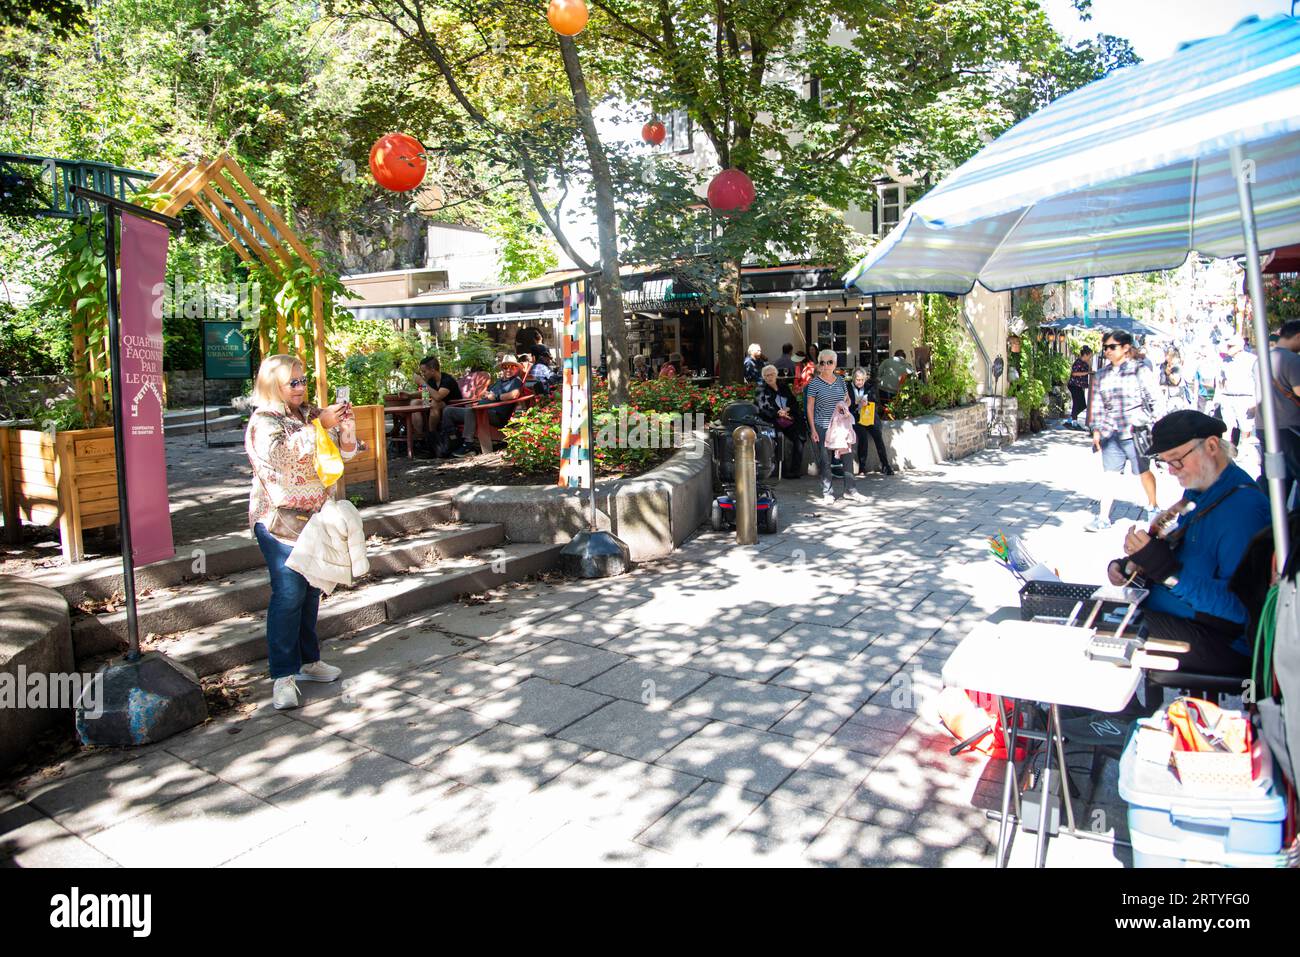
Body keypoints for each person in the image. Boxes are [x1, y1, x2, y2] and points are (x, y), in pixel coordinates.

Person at [1106, 411, 1270, 678]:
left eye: (1177, 461)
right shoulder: (1197, 492)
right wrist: (1134, 565)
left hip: (1224, 641)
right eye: (1166, 462)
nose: (1170, 471)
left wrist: (1169, 574)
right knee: (1096, 614)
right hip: (1182, 616)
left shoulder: (1243, 510)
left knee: (1107, 630)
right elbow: (1181, 553)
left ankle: (1116, 713)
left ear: (1212, 446)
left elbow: (1242, 609)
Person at [245, 355, 356, 711]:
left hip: (314, 517)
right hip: (279, 520)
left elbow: (344, 454)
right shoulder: (264, 421)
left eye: (303, 380)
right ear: (271, 384)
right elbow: (279, 456)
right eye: (293, 382)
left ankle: (309, 661)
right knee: (289, 593)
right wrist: (320, 427)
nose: (301, 387)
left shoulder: (308, 414)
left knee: (310, 592)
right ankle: (282, 675)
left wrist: (346, 430)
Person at [1087, 329, 1161, 531]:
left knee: (1143, 471)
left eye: (1112, 346)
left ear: (1126, 347)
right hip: (1111, 432)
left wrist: (1157, 425)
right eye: (1105, 348)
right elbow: (1097, 404)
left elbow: (1155, 399)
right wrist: (1096, 430)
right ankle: (1103, 516)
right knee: (1110, 474)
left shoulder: (1139, 371)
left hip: (1136, 430)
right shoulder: (1101, 375)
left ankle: (1153, 505)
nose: (1108, 351)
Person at [806, 349, 863, 506]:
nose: (826, 365)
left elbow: (848, 400)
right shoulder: (814, 383)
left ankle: (850, 490)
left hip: (841, 426)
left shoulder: (840, 381)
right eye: (822, 362)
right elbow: (809, 408)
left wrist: (845, 404)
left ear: (835, 364)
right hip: (822, 425)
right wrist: (813, 429)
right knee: (825, 460)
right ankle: (828, 492)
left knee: (848, 457)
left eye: (829, 362)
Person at [440, 354, 525, 457]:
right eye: (505, 367)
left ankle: (468, 445)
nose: (508, 369)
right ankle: (452, 441)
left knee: (472, 410)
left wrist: (496, 397)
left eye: (512, 366)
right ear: (502, 368)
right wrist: (485, 394)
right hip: (482, 411)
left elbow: (514, 394)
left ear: (517, 368)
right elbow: (485, 393)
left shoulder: (516, 381)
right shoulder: (499, 381)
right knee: (448, 411)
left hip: (495, 415)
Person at [1258, 318, 1300, 508]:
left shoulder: (1261, 359)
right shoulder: (1291, 360)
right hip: (1289, 426)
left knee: (1274, 477)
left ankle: (1273, 519)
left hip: (1264, 425)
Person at [754, 363, 805, 479]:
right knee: (779, 437)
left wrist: (788, 409)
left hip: (787, 419)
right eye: (766, 376)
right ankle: (784, 471)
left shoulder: (783, 387)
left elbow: (793, 402)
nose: (769, 377)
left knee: (799, 437)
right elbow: (762, 408)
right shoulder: (761, 390)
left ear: (776, 375)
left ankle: (795, 470)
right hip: (772, 421)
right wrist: (778, 413)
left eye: (771, 374)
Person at [846, 367, 894, 476]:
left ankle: (885, 465)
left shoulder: (869, 387)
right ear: (853, 379)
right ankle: (862, 468)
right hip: (855, 417)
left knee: (877, 434)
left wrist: (867, 402)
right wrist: (857, 405)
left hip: (868, 416)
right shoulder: (848, 387)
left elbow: (876, 402)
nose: (860, 382)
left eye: (862, 380)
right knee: (862, 436)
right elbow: (845, 404)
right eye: (858, 380)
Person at [413, 355, 462, 451]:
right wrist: (409, 395)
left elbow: (438, 397)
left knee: (435, 403)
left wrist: (423, 383)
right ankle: (420, 437)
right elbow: (426, 398)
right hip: (439, 408)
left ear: (432, 370)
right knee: (415, 402)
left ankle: (432, 436)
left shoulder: (447, 380)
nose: (423, 374)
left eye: (424, 371)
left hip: (454, 408)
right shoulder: (431, 381)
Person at [1217, 335, 1257, 447]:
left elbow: (1258, 381)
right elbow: (1221, 379)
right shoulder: (1224, 361)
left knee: (1246, 427)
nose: (1228, 348)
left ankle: (1245, 451)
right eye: (1227, 346)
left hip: (1245, 397)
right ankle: (1227, 455)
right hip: (1228, 397)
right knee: (1226, 427)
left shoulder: (1252, 360)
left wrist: (1255, 401)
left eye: (1231, 346)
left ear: (1240, 347)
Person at [1068, 346, 1093, 425]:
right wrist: (1086, 373)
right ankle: (1074, 421)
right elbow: (1074, 373)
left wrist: (1089, 364)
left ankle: (1071, 417)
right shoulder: (1078, 362)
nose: (1090, 357)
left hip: (1079, 386)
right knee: (1076, 402)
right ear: (1085, 354)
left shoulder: (1085, 363)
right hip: (1074, 385)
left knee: (1083, 405)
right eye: (1089, 355)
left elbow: (1090, 371)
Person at [1159, 347, 1189, 412]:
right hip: (1167, 396)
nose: (1165, 356)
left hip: (1176, 396)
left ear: (1170, 355)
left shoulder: (1176, 366)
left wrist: (1168, 374)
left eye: (1166, 354)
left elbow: (1176, 381)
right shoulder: (1165, 365)